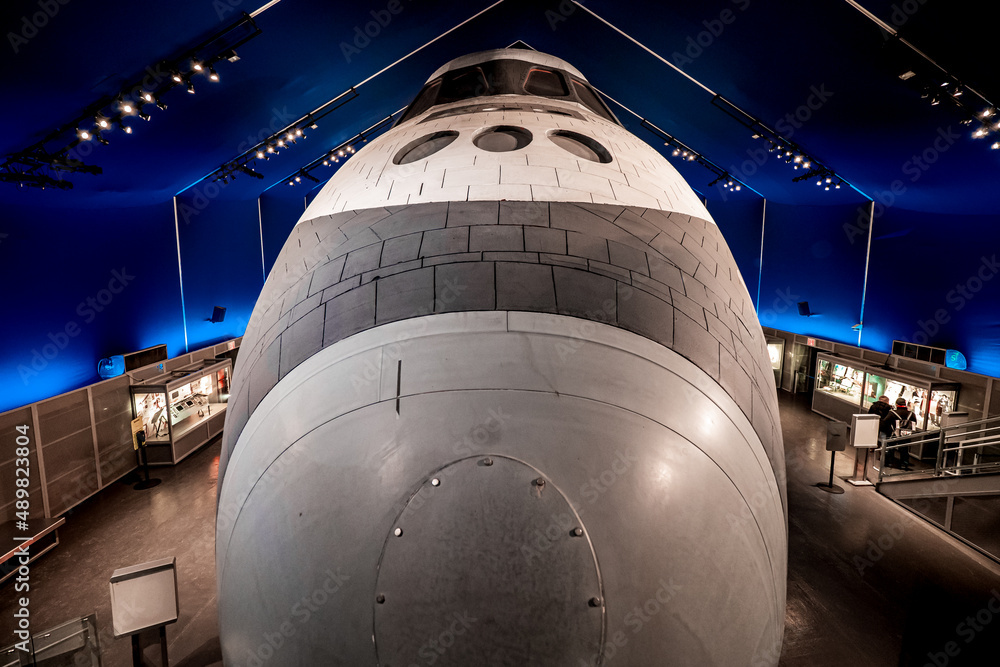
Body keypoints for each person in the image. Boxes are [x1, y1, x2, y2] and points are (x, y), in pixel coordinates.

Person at [884, 397, 918, 470]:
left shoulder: (892, 413)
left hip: (894, 433)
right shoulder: (911, 414)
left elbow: (885, 422)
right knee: (904, 449)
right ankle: (904, 463)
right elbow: (915, 423)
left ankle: (889, 462)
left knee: (890, 448)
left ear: (897, 404)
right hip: (906, 434)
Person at [868, 396, 895, 466]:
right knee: (883, 440)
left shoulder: (873, 406)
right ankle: (882, 454)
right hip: (884, 426)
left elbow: (869, 415)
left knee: (874, 436)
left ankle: (872, 448)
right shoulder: (889, 409)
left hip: (875, 424)